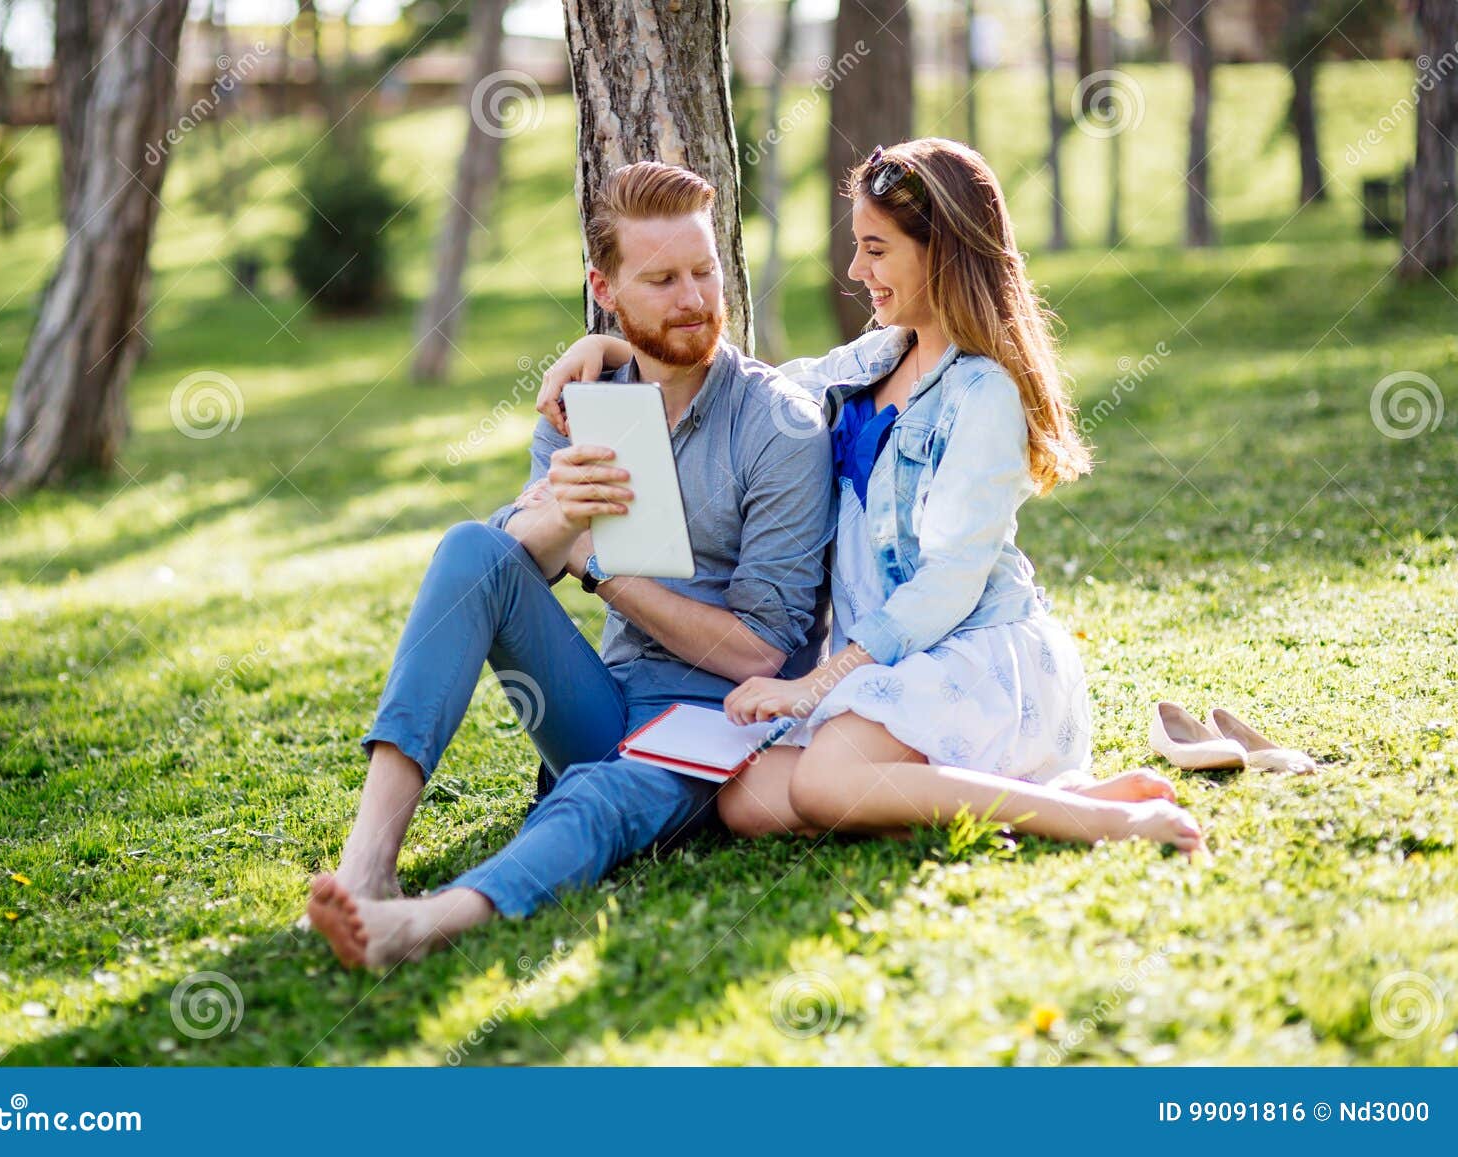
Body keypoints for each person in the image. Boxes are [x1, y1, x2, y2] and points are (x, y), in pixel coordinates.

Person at [537, 139, 1207, 858]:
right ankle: (1043, 801)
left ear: (940, 252)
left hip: (970, 656)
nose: (857, 271)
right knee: (745, 798)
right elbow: (743, 383)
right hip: (888, 673)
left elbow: (948, 585)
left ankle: (1102, 821)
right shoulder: (871, 358)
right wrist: (608, 351)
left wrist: (816, 685)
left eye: (876, 250)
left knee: (824, 783)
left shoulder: (984, 394)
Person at [307, 162, 835, 969]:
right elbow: (502, 564)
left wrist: (597, 564)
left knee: (599, 795)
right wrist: (559, 512)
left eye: (704, 270)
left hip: (724, 726)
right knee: (469, 546)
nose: (692, 298)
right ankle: (369, 860)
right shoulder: (585, 401)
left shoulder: (779, 429)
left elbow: (761, 653)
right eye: (661, 279)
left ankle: (426, 923)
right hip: (606, 701)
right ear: (607, 286)